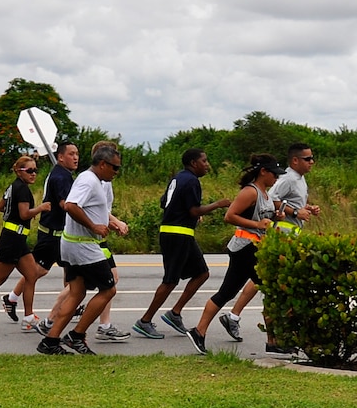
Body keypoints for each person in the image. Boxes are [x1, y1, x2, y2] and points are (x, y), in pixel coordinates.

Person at [37, 142, 128, 355]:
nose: (117, 172)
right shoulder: (89, 180)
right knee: (109, 289)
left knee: (77, 293)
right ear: (103, 164)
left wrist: (108, 223)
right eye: (115, 167)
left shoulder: (92, 180)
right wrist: (93, 226)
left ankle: (50, 341)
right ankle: (76, 336)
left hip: (74, 244)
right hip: (83, 246)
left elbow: (86, 208)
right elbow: (70, 206)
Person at [192, 155, 281, 354]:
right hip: (246, 248)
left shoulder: (264, 194)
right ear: (263, 172)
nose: (276, 178)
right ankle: (273, 341)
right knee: (272, 290)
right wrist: (257, 224)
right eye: (274, 174)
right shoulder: (250, 192)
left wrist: (275, 217)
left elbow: (262, 219)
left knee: (227, 292)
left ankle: (199, 332)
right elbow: (230, 216)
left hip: (252, 248)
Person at [134, 147, 223, 338]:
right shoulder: (192, 181)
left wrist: (188, 213)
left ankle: (175, 313)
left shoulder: (178, 178)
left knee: (202, 273)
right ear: (193, 163)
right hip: (177, 234)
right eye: (204, 161)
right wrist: (217, 204)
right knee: (170, 280)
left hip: (179, 233)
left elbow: (164, 202)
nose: (207, 165)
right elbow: (194, 210)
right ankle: (145, 321)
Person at [0, 152, 50, 333]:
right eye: (29, 171)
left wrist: (11, 212)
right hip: (12, 239)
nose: (34, 174)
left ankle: (29, 318)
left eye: (35, 170)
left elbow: (0, 206)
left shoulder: (13, 187)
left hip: (17, 238)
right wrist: (41, 208)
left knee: (31, 275)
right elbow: (24, 214)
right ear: (19, 171)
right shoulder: (22, 189)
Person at [259, 142, 323, 354]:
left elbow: (291, 203)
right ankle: (272, 338)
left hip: (293, 236)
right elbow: (271, 200)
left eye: (312, 158)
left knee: (285, 287)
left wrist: (307, 209)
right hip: (281, 236)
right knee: (275, 286)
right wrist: (295, 212)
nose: (312, 162)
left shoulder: (300, 179)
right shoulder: (287, 178)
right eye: (308, 159)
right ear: (295, 160)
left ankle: (279, 339)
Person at [19, 139, 80, 331]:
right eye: (71, 154)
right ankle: (17, 303)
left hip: (60, 233)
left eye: (77, 154)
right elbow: (66, 204)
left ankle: (69, 306)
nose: (76, 157)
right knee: (36, 272)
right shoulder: (61, 177)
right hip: (53, 234)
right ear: (60, 157)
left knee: (70, 271)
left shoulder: (63, 174)